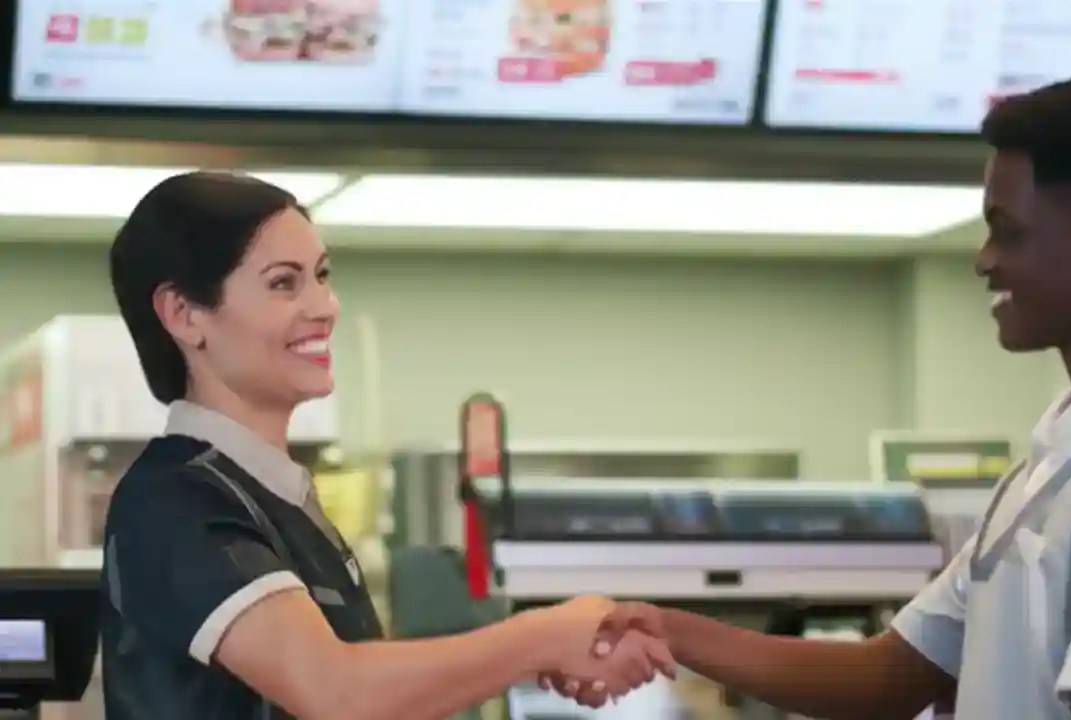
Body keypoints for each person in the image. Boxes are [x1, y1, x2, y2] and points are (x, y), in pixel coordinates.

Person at [545, 68, 1071, 719]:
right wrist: (668, 630)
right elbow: (888, 677)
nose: (984, 261)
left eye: (1007, 232)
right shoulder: (1054, 463)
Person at [100, 171, 674, 720]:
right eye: (283, 283)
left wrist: (542, 654)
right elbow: (339, 693)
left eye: (321, 276)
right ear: (184, 315)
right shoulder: (175, 501)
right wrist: (541, 637)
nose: (325, 307)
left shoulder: (274, 496)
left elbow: (367, 692)